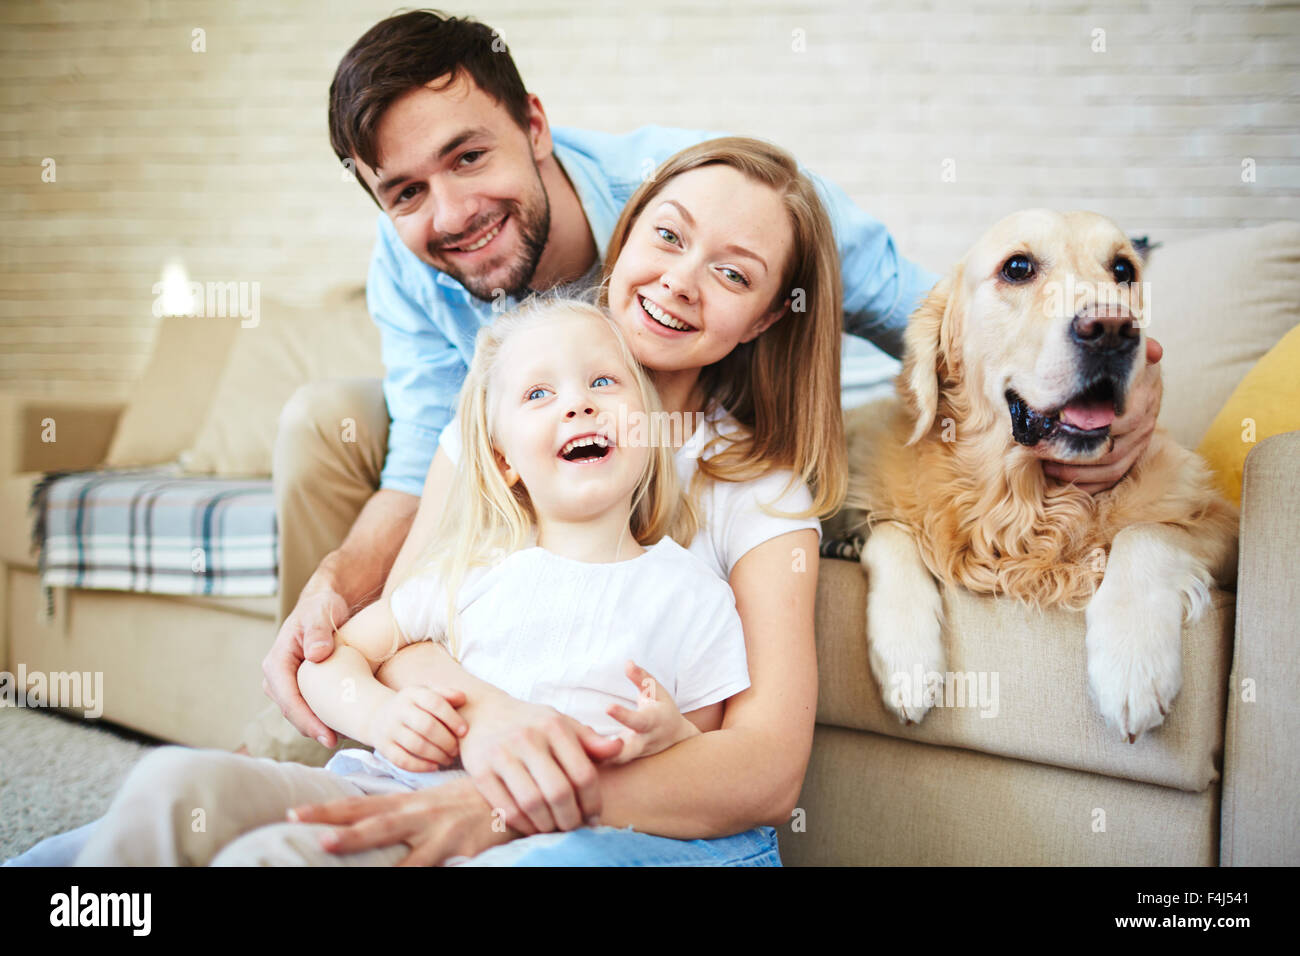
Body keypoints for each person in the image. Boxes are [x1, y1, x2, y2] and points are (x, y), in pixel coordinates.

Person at [5, 9, 1162, 867]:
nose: (449, 211)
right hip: (449, 726)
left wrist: (1109, 377)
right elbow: (408, 573)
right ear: (629, 234)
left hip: (581, 816)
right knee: (162, 801)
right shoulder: (498, 408)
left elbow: (952, 316)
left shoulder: (746, 472)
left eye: (734, 271)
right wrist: (373, 662)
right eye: (666, 238)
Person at [68, 299, 761, 866]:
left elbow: (695, 774)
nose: (577, 404)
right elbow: (329, 658)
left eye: (604, 382)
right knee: (173, 781)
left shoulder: (692, 592)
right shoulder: (468, 573)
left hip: (520, 837)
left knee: (275, 856)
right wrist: (377, 715)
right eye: (540, 393)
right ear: (503, 459)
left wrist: (671, 736)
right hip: (391, 781)